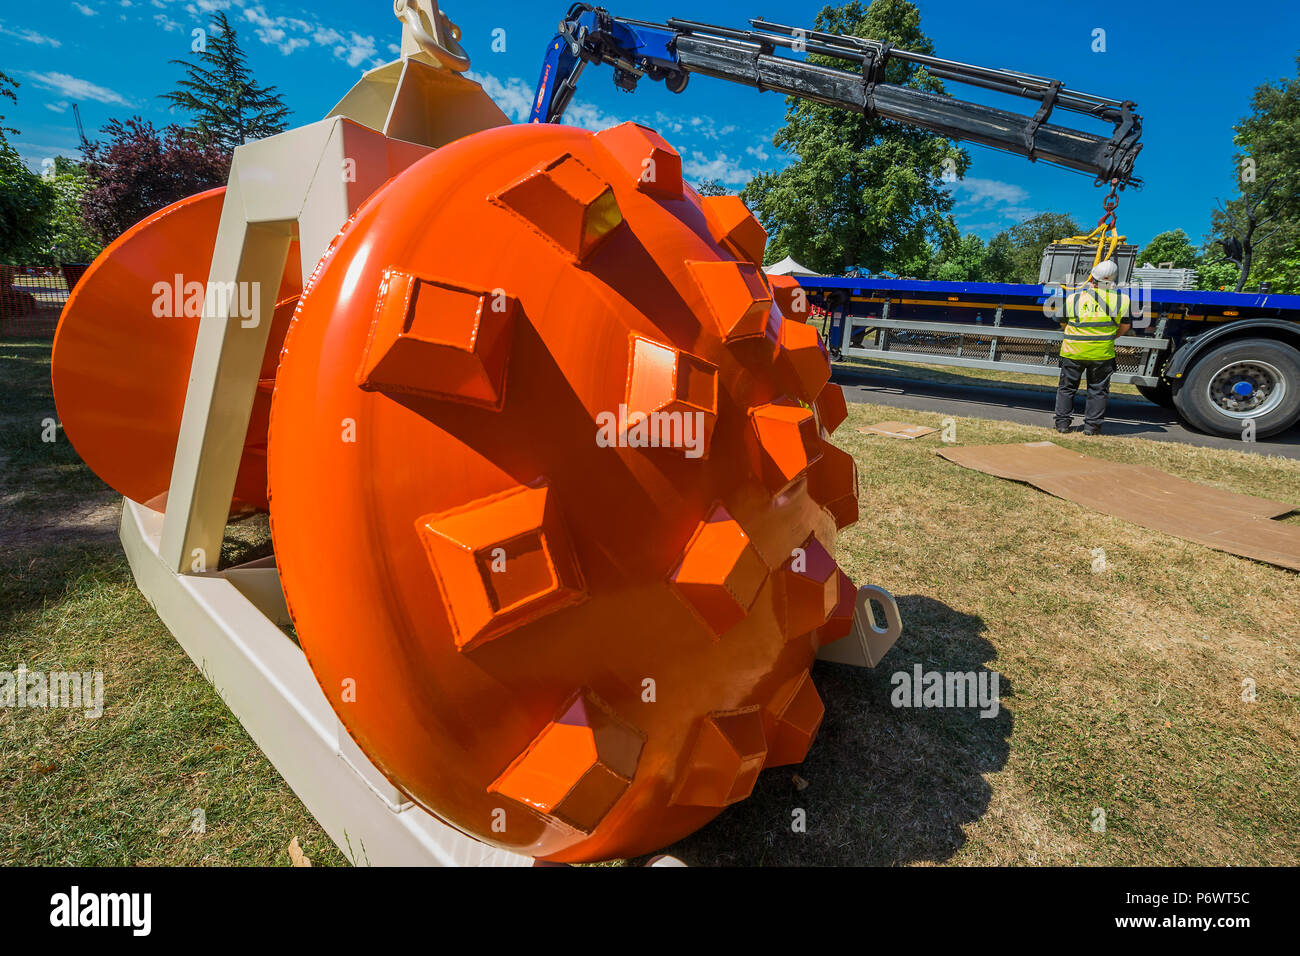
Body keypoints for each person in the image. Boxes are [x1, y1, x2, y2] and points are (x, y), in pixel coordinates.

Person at [1054, 259, 1131, 435]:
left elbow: (1063, 323)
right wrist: (1108, 337)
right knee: (1097, 391)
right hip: (1102, 354)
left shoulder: (1074, 298)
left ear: (1091, 280)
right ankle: (1092, 427)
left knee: (1066, 388)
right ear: (1112, 280)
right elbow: (1125, 327)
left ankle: (1062, 425)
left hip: (1073, 351)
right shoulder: (1123, 300)